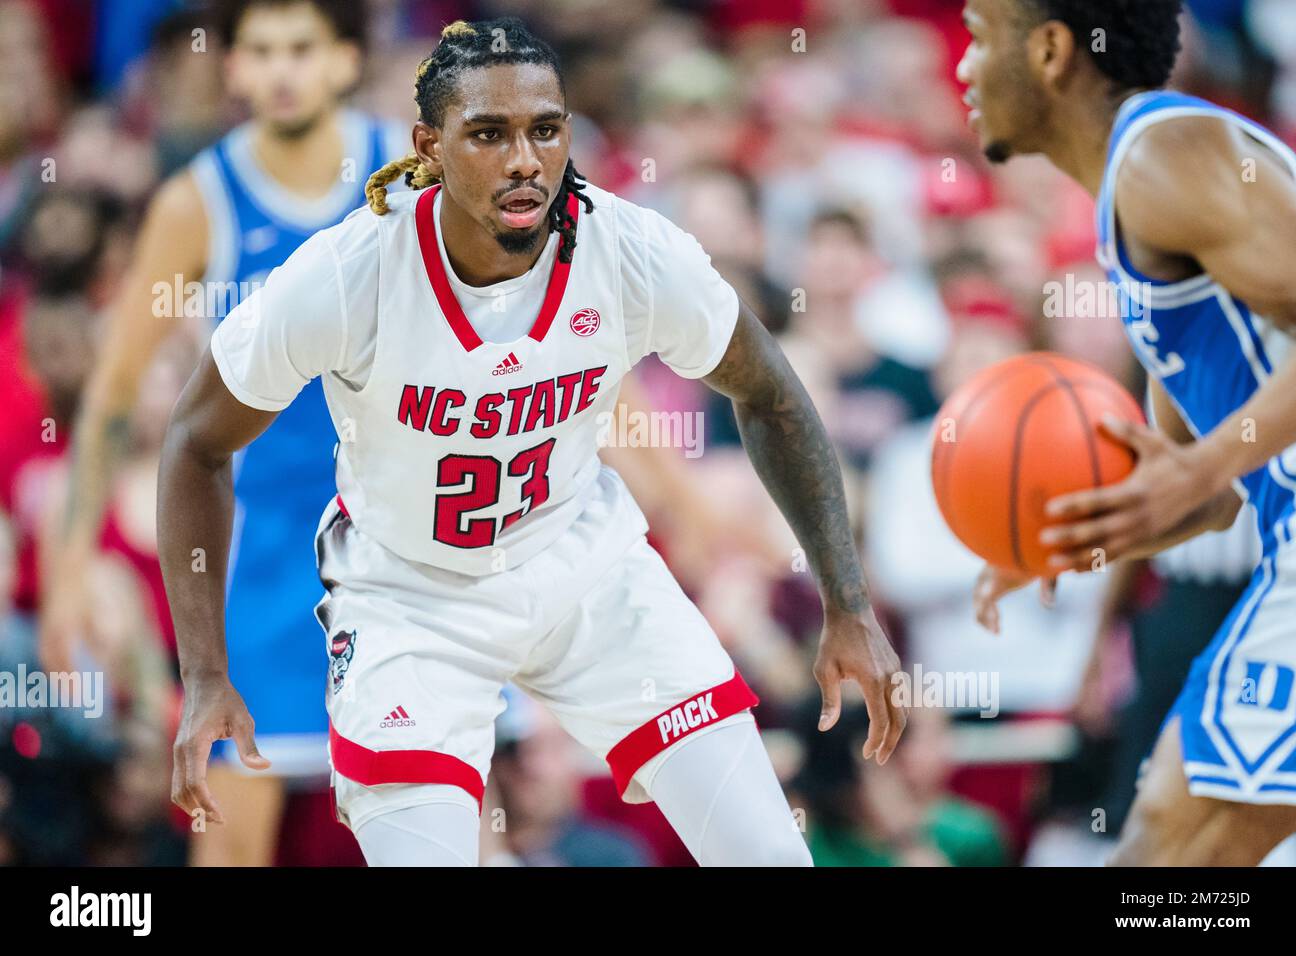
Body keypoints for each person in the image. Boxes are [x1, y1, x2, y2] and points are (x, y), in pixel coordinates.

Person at [161, 17, 907, 867]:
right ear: (430, 147)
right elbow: (194, 441)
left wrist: (847, 602)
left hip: (585, 567)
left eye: (545, 130)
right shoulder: (347, 275)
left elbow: (771, 394)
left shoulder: (629, 249)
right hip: (411, 597)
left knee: (772, 857)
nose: (524, 159)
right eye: (488, 133)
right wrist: (205, 672)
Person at [41, 0, 406, 866]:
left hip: (404, 543)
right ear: (232, 68)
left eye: (302, 49)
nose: (281, 70)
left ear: (345, 60)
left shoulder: (411, 168)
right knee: (232, 843)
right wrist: (65, 572)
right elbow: (115, 395)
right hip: (264, 551)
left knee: (443, 830)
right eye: (261, 50)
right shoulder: (197, 198)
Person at [959, 0, 1296, 865]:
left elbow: (1206, 470)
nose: (962, 67)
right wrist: (1074, 535)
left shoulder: (1164, 156)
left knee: (1164, 860)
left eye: (977, 33)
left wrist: (1204, 469)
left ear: (1048, 49)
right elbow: (1211, 496)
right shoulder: (1136, 201)